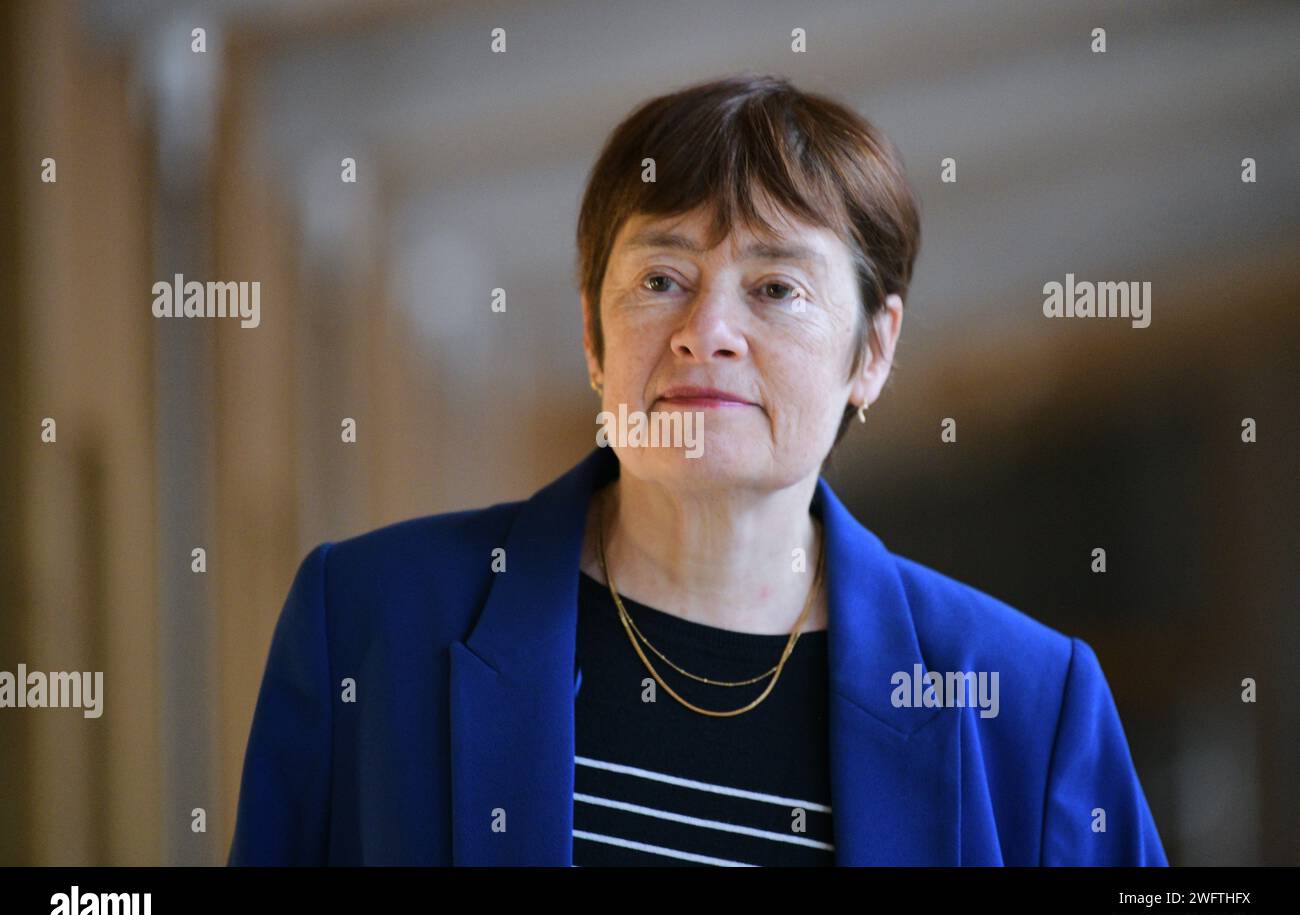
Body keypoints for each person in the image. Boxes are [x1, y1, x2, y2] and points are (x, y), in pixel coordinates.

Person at [228, 73, 1167, 866]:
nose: (706, 334)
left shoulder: (1029, 705)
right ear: (595, 334)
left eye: (776, 289)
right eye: (661, 279)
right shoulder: (369, 620)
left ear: (872, 351)